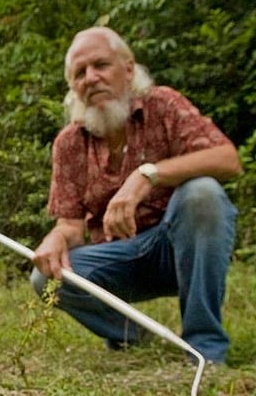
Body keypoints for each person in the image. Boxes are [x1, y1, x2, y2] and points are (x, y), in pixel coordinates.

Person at [31, 26, 243, 364]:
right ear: (72, 87)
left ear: (128, 69)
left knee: (202, 193)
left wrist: (147, 175)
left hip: (179, 248)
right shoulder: (69, 143)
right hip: (119, 260)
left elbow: (227, 159)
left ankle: (204, 347)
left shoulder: (163, 105)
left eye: (101, 65)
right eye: (79, 73)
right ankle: (135, 336)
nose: (91, 78)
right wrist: (56, 238)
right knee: (46, 276)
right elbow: (70, 226)